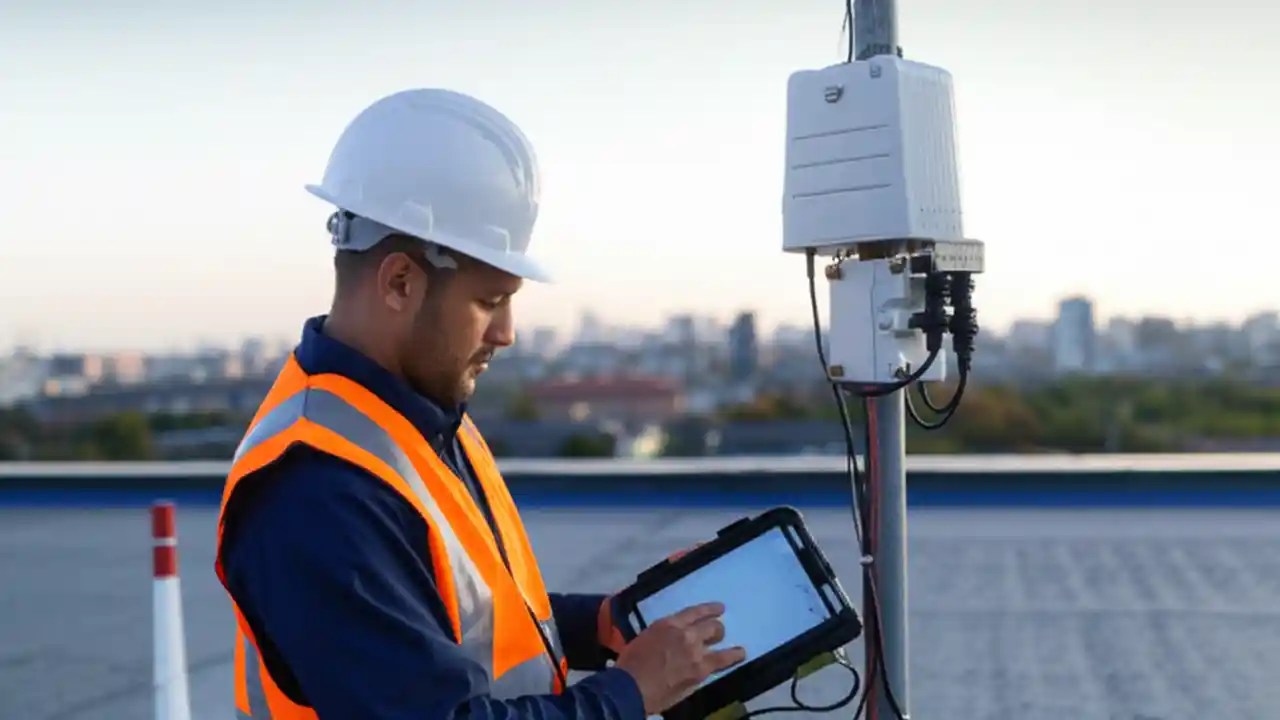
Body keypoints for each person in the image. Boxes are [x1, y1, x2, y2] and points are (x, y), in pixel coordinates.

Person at [212, 88, 746, 720]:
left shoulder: (412, 421)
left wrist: (597, 622)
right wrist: (631, 691)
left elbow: (455, 617)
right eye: (490, 301)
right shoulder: (315, 491)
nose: (507, 333)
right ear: (401, 282)